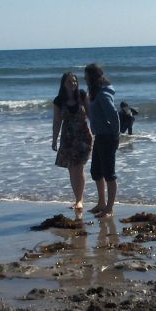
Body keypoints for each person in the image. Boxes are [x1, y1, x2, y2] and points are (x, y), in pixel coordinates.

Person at [51, 72, 93, 213]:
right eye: (69, 81)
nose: (73, 83)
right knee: (71, 169)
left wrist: (99, 130)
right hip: (67, 138)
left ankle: (80, 200)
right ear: (63, 84)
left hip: (83, 136)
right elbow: (57, 121)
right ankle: (77, 199)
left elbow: (90, 114)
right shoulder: (58, 101)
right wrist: (54, 139)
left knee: (79, 168)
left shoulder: (82, 95)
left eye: (74, 81)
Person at [84, 63, 120, 215]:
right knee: (96, 172)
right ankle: (101, 203)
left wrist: (116, 135)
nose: (84, 78)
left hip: (107, 137)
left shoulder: (103, 93)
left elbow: (113, 114)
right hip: (99, 136)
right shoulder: (95, 91)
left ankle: (109, 208)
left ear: (91, 76)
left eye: (86, 75)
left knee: (109, 173)